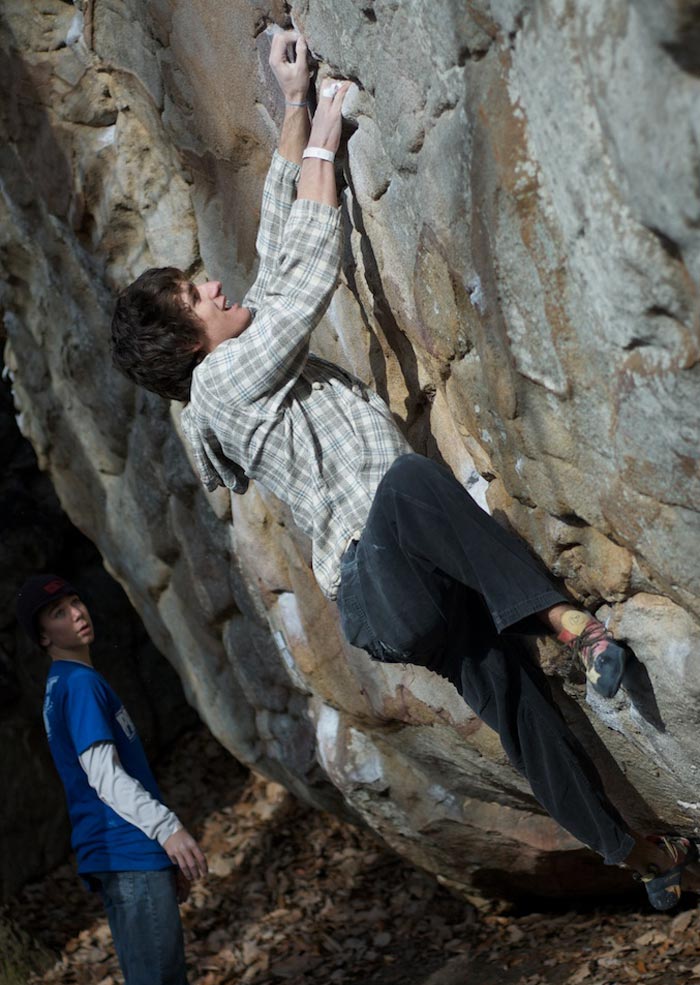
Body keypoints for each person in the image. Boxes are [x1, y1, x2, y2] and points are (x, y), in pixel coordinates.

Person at [110, 30, 694, 909]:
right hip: (379, 580)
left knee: (516, 704)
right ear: (188, 343)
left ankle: (640, 856)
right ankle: (573, 625)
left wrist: (295, 103)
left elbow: (279, 242)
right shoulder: (222, 382)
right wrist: (325, 134)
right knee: (410, 483)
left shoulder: (230, 366)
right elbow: (310, 270)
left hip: (406, 584)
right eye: (197, 296)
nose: (214, 288)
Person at [15, 573, 207, 985]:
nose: (77, 613)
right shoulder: (79, 685)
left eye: (75, 602)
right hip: (128, 850)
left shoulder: (64, 684)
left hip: (121, 853)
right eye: (58, 613)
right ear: (43, 637)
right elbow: (105, 776)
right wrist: (167, 831)